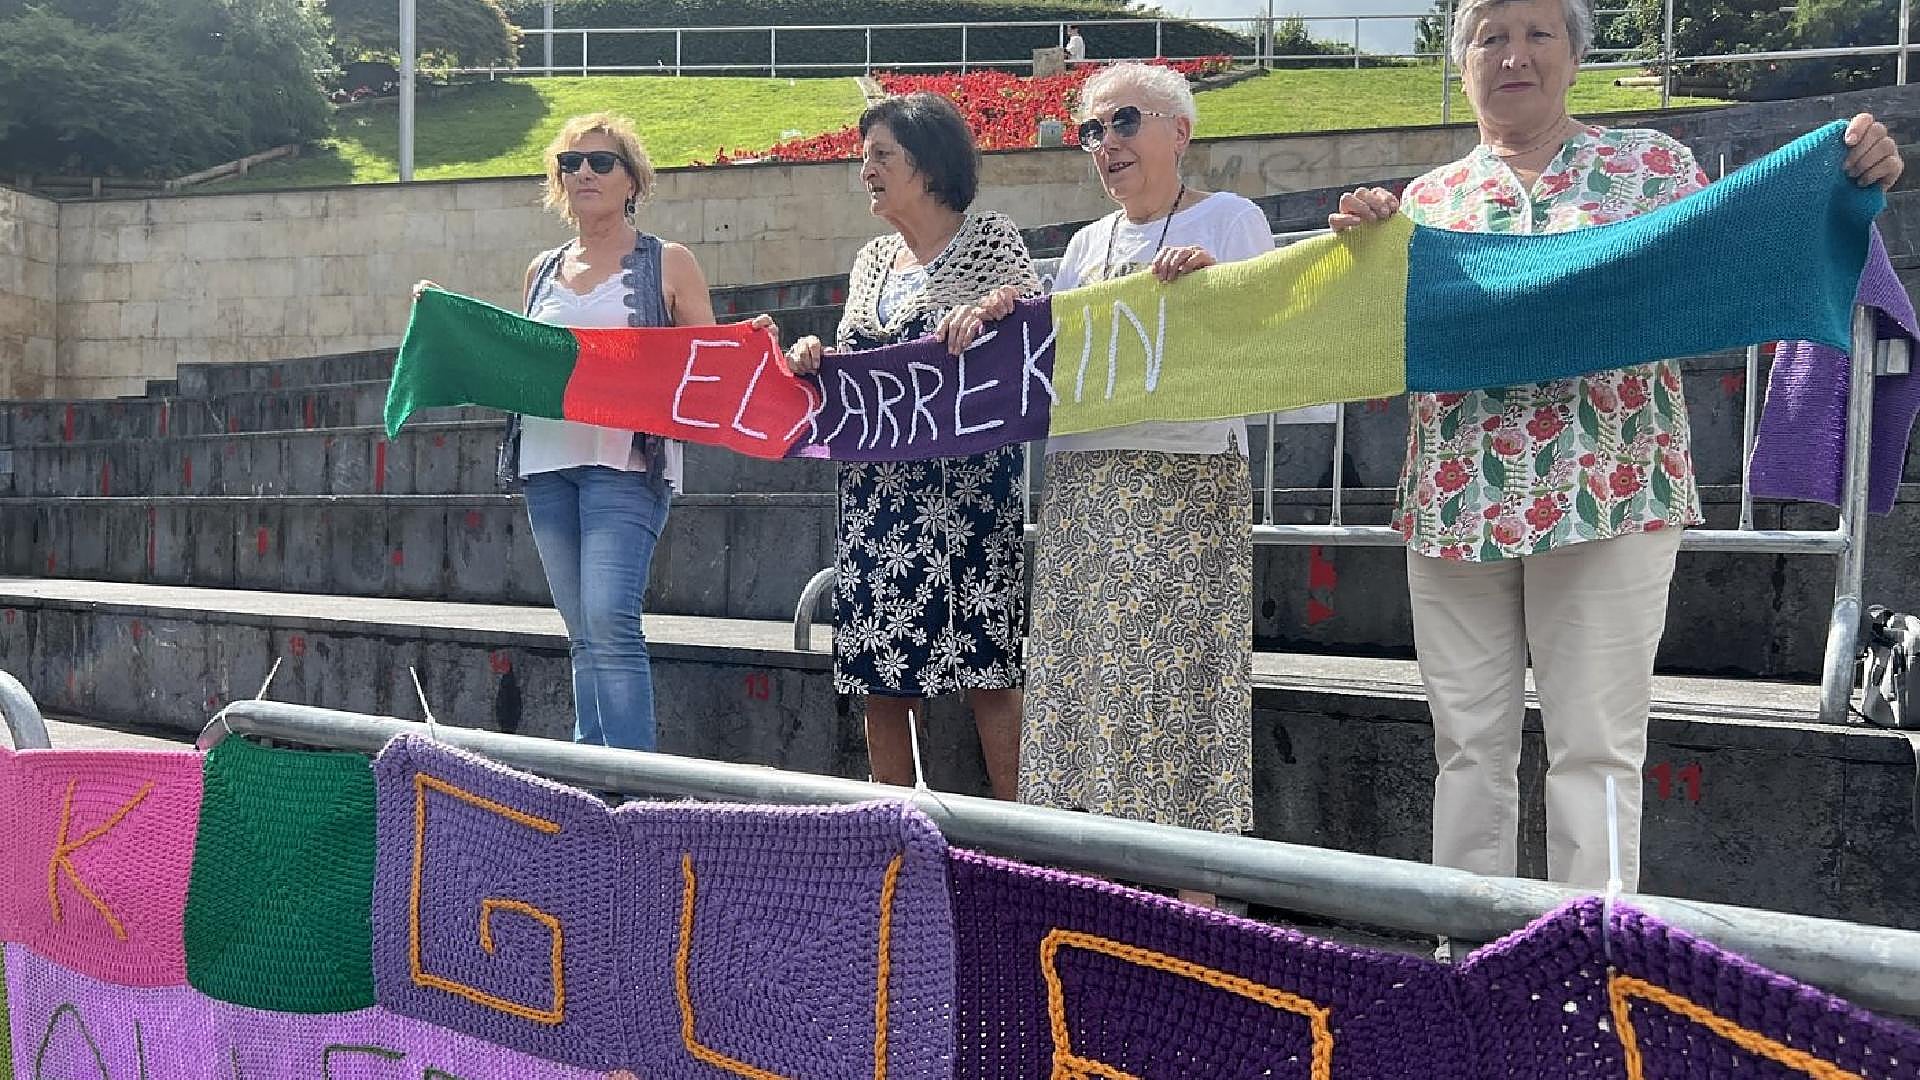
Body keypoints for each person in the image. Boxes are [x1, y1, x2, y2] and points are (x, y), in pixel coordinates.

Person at [1328, 0, 1904, 893]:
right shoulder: (1426, 202)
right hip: (1454, 497)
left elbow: (1739, 248)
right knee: (1465, 750)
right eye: (1489, 35)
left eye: (1537, 33)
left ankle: (1582, 976)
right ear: (1462, 62)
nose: (1513, 54)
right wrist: (1362, 261)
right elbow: (1374, 359)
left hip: (1610, 483)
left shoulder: (1652, 167)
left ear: (1574, 55)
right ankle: (1463, 957)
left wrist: (1845, 180)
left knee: (1595, 749)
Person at [971, 62, 1284, 909]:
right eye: (1090, 131)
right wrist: (1009, 315)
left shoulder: (1231, 217)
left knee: (1175, 684)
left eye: (1123, 123)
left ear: (1180, 132)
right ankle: (1098, 893)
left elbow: (1268, 336)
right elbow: (1059, 358)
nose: (1104, 144)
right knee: (1086, 682)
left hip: (1182, 485)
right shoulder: (1083, 246)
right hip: (1084, 485)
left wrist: (1214, 290)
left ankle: (1198, 905)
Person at [414, 112, 717, 751]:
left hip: (625, 464)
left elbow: (707, 365)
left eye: (601, 162)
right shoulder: (541, 271)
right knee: (580, 627)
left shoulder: (670, 263)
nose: (584, 172)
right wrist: (451, 317)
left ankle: (634, 784)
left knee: (610, 621)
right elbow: (516, 360)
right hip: (547, 462)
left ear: (632, 179)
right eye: (570, 163)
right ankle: (590, 773)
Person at [771, 92, 1038, 800]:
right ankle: (897, 842)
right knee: (880, 675)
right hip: (877, 500)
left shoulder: (990, 238)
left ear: (930, 165)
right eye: (864, 158)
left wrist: (988, 314)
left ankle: (1020, 852)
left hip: (967, 492)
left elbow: (1029, 331)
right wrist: (812, 353)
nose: (867, 170)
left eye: (882, 155)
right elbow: (858, 353)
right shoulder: (872, 260)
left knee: (987, 669)